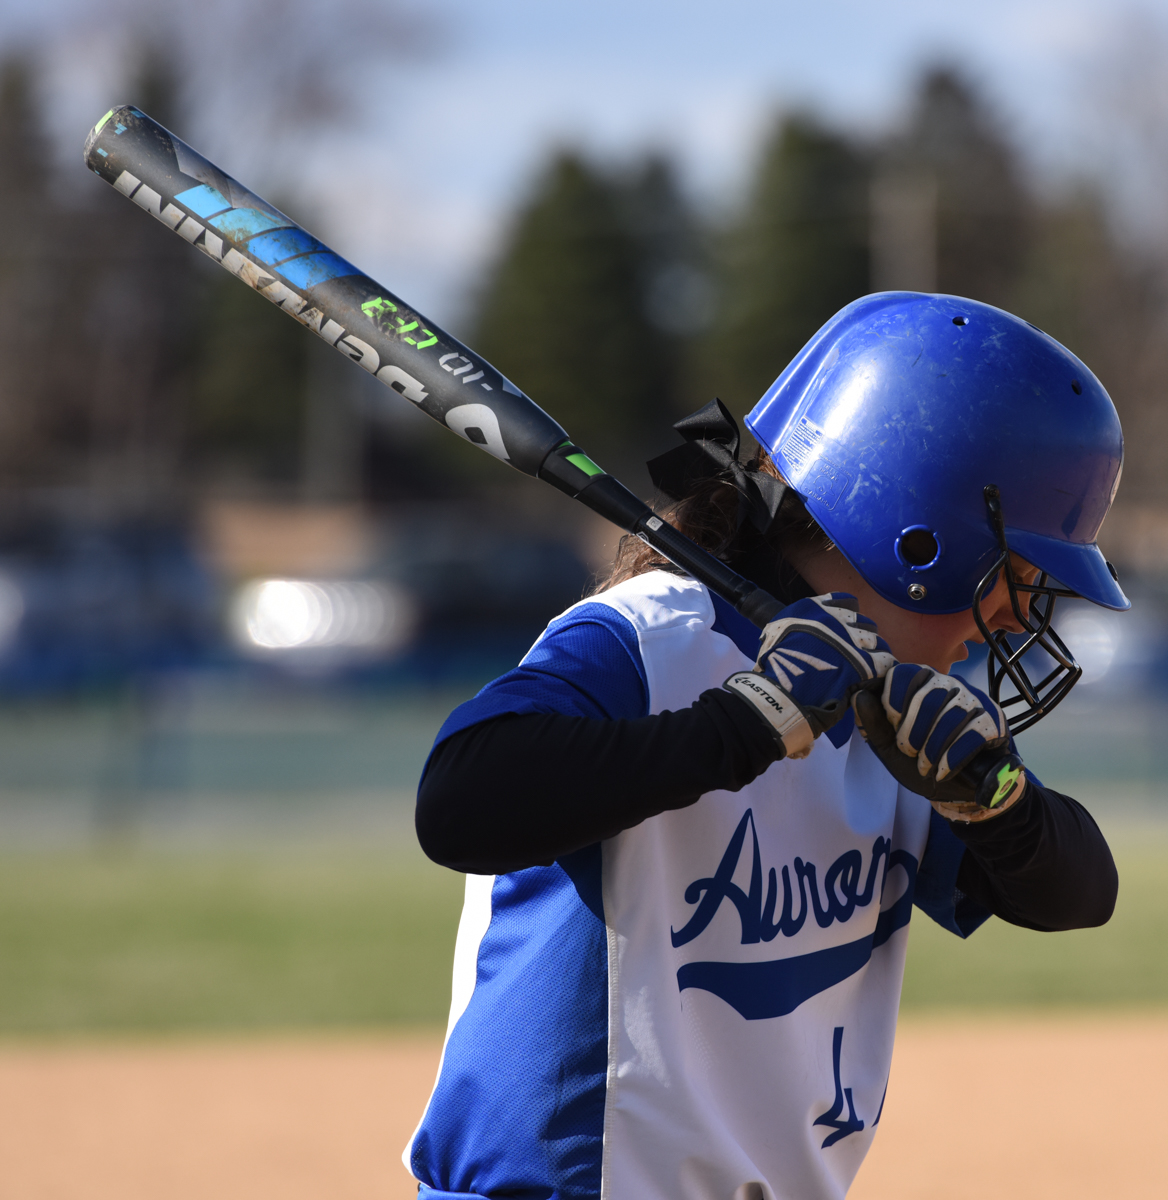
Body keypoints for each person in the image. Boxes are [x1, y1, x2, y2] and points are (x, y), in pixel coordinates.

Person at [403, 292, 1128, 1200]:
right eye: (1012, 579)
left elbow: (1078, 894)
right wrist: (741, 726)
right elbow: (460, 799)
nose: (1009, 622)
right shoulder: (648, 640)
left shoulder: (890, 713)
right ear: (919, 537)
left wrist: (1001, 803)